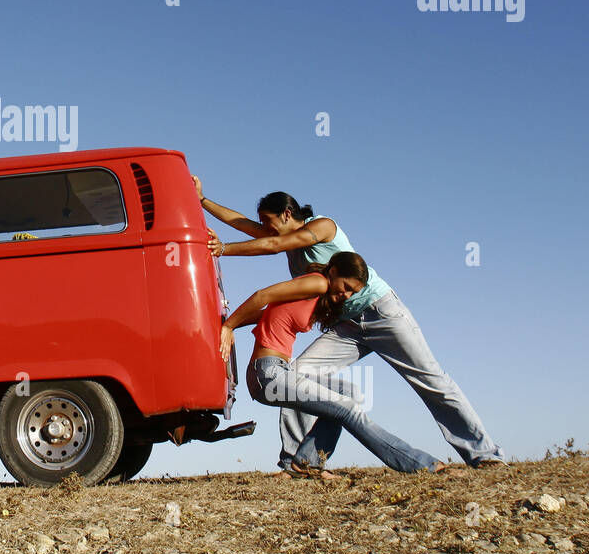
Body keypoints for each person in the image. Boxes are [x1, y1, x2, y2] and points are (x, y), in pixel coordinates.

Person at [196, 177, 506, 470]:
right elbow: (246, 226)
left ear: (288, 214)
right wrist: (203, 200)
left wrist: (224, 249)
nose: (264, 228)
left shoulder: (322, 226)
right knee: (297, 377)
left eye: (269, 221)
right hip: (346, 328)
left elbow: (272, 246)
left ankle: (484, 454)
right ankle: (296, 462)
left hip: (381, 313)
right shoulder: (286, 240)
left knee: (431, 380)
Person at [223, 251, 446, 478]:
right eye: (346, 286)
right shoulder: (318, 282)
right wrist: (228, 326)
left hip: (280, 371)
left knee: (349, 392)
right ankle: (421, 464)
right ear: (334, 271)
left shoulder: (317, 296)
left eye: (353, 292)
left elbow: (267, 313)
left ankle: (306, 463)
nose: (346, 295)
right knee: (347, 410)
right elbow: (263, 295)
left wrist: (229, 325)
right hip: (268, 374)